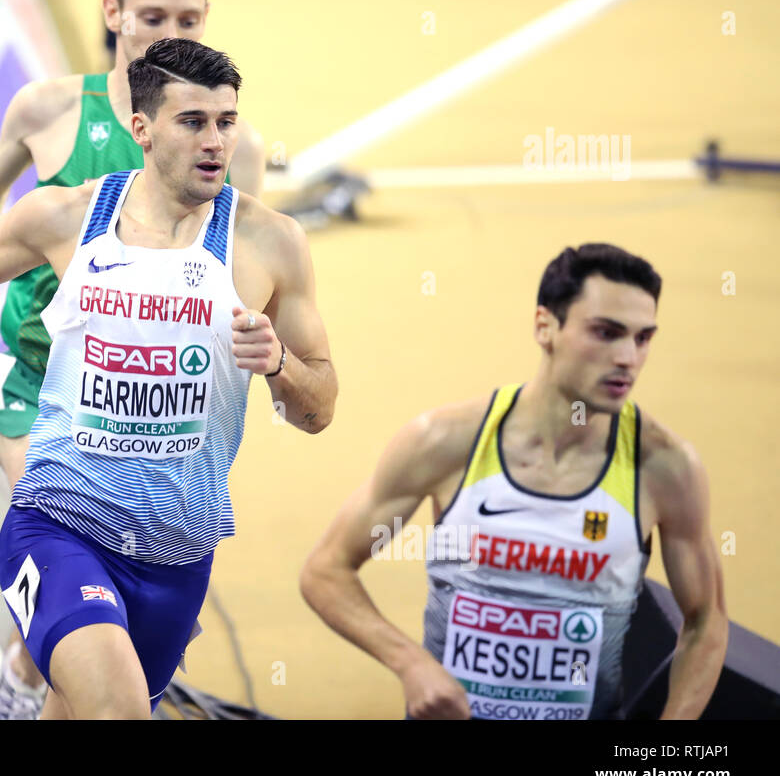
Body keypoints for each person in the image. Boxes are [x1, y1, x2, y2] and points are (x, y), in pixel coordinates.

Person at [0, 38, 336, 719]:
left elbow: (319, 409)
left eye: (227, 122)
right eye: (193, 122)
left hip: (178, 558)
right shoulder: (70, 216)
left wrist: (281, 365)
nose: (215, 142)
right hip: (59, 527)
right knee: (118, 713)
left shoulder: (271, 244)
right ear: (141, 128)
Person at [300, 244, 728, 719]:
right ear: (545, 326)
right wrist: (411, 664)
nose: (628, 357)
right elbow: (326, 571)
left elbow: (706, 619)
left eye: (643, 338)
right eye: (606, 333)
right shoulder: (446, 442)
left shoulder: (666, 468)